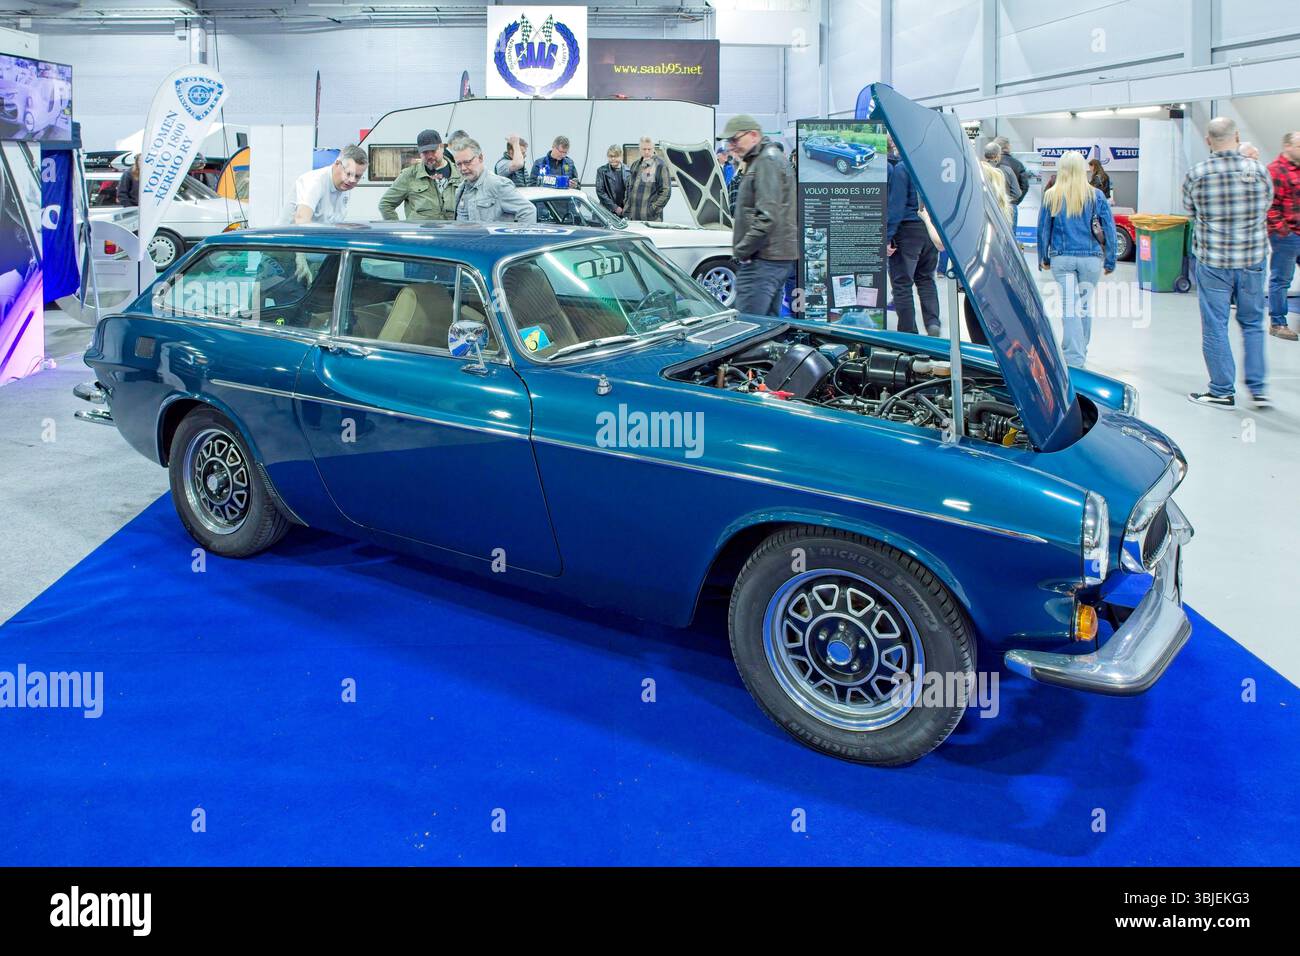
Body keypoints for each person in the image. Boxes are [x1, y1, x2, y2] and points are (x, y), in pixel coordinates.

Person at [1182, 116, 1273, 409]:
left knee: (1215, 326)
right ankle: (1258, 389)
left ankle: (1221, 390)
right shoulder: (1258, 171)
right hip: (1252, 260)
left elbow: (1190, 212)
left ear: (1208, 141)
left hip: (1214, 261)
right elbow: (1267, 206)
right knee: (1253, 324)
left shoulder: (1197, 174)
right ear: (1237, 137)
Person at [1036, 151, 1117, 368]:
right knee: (1083, 305)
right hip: (1091, 258)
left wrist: (1043, 257)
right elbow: (1109, 228)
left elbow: (1044, 229)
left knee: (1070, 307)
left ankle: (1074, 357)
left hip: (1062, 259)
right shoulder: (1096, 196)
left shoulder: (1052, 195)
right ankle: (1080, 350)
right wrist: (1110, 260)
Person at [723, 114, 796, 316]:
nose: (731, 146)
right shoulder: (768, 158)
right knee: (767, 325)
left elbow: (767, 216)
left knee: (749, 325)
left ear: (753, 135)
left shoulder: (766, 161)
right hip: (772, 257)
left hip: (763, 259)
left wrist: (742, 250)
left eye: (735, 139)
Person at [888, 137, 940, 334]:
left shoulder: (903, 168)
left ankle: (909, 334)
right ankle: (933, 323)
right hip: (930, 229)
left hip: (907, 231)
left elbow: (896, 205)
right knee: (926, 279)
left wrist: (887, 237)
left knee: (902, 284)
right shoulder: (933, 168)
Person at [450, 137, 537, 224]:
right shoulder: (461, 189)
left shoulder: (498, 185)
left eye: (467, 162)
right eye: (459, 164)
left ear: (480, 158)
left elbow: (528, 211)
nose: (463, 168)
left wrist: (516, 237)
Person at [378, 129, 459, 221]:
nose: (429, 156)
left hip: (451, 234)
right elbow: (385, 205)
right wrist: (398, 227)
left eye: (433, 151)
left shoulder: (459, 174)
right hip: (422, 234)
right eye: (425, 152)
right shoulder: (409, 175)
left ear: (442, 147)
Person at [1266, 131, 1300, 341]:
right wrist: (1284, 231)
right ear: (1287, 146)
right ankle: (1278, 323)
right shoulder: (1275, 171)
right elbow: (1270, 206)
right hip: (1286, 235)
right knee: (1281, 279)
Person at [282, 144, 366, 224]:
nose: (352, 180)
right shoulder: (314, 181)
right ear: (337, 163)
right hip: (289, 238)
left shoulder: (344, 185)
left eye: (357, 176)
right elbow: (301, 220)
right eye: (348, 173)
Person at [625, 137, 672, 222]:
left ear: (653, 149)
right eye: (644, 149)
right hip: (633, 217)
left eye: (649, 149)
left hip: (651, 219)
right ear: (639, 149)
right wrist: (626, 206)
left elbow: (666, 191)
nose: (646, 152)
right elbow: (629, 188)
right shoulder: (635, 165)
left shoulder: (660, 165)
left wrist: (652, 210)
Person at [595, 145, 630, 217]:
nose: (613, 159)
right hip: (606, 211)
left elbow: (631, 192)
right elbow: (600, 192)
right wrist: (615, 207)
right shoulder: (601, 171)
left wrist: (626, 208)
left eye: (616, 156)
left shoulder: (629, 171)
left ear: (621, 156)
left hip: (624, 211)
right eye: (611, 156)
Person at [983, 142, 1020, 206]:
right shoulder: (1007, 170)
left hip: (985, 208)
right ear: (997, 155)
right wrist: (1005, 201)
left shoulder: (979, 169)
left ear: (985, 155)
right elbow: (1017, 193)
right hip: (1004, 208)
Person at [994, 136, 1029, 205]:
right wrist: (1015, 202)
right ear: (1008, 146)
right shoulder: (1018, 164)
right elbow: (1025, 186)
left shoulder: (991, 164)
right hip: (1011, 205)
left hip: (994, 205)